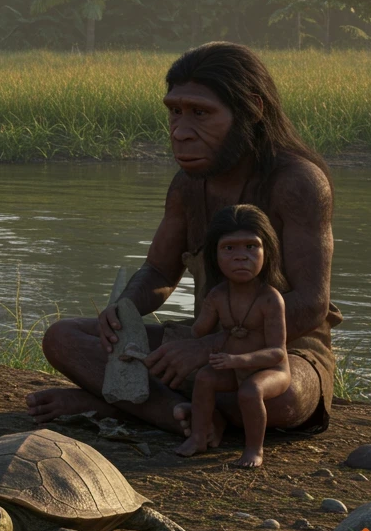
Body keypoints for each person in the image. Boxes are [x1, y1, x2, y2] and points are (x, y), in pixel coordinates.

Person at [28, 41, 340, 440]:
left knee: (281, 398)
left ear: (254, 109)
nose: (180, 132)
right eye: (174, 111)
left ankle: (120, 402)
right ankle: (181, 413)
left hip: (286, 349)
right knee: (64, 338)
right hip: (201, 340)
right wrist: (124, 309)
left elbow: (311, 303)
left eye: (200, 113)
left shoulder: (296, 182)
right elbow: (159, 271)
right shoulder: (187, 186)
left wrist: (210, 347)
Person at [176, 205, 289, 468]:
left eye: (251, 247)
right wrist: (204, 318)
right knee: (204, 378)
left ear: (267, 252)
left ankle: (254, 450)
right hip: (231, 365)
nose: (241, 257)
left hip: (269, 370)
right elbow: (198, 332)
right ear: (214, 256)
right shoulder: (217, 294)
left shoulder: (270, 298)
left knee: (251, 391)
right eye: (229, 248)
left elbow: (277, 353)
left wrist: (237, 361)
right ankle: (198, 437)